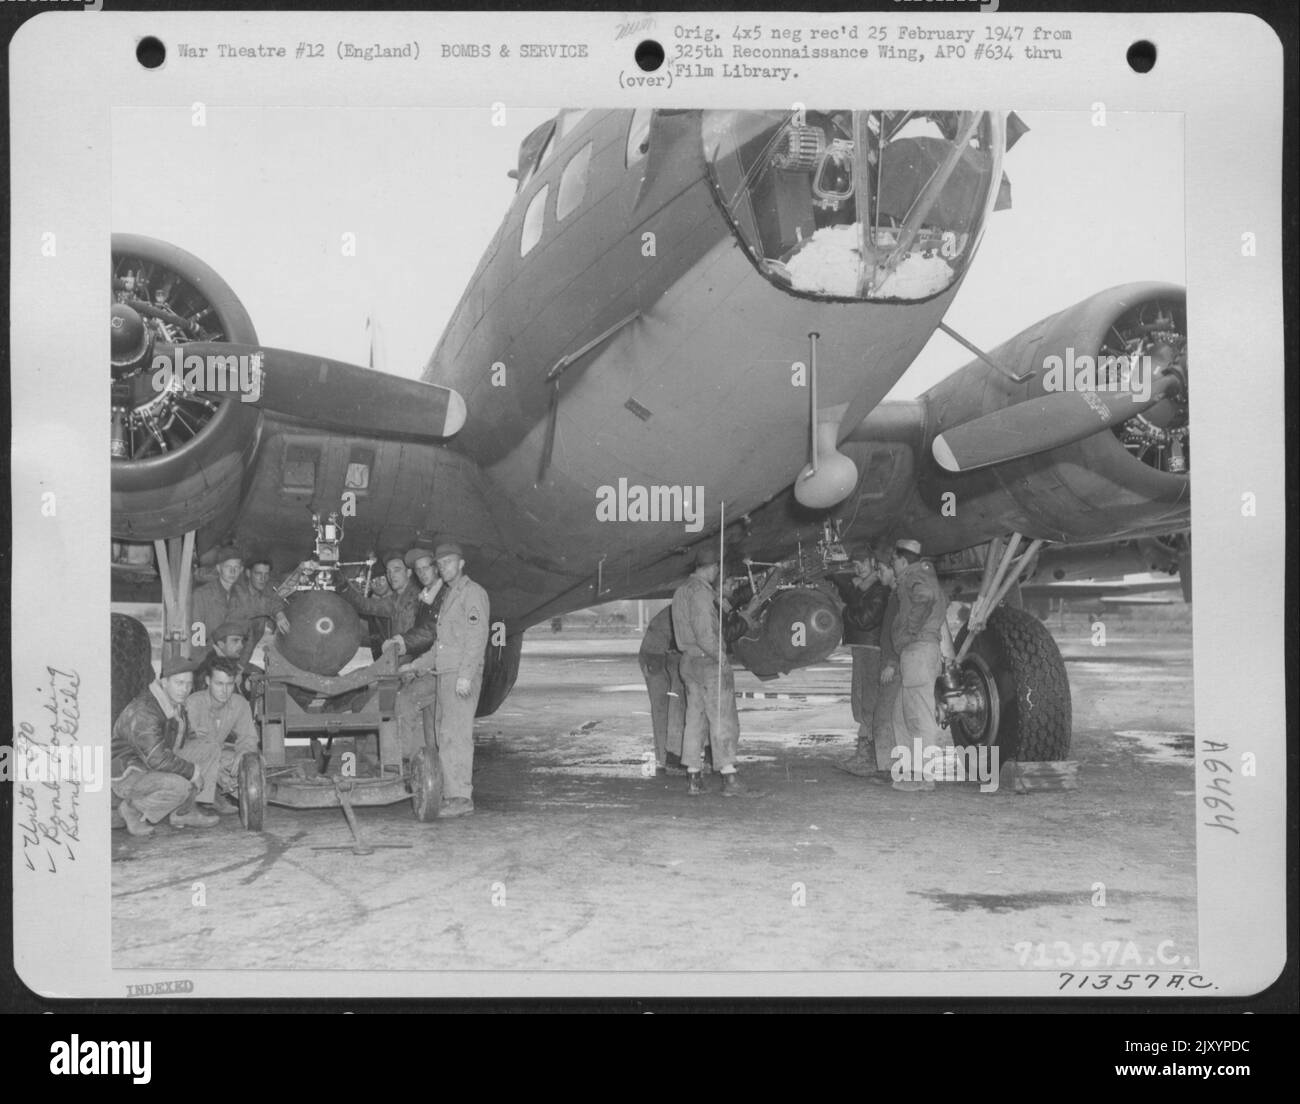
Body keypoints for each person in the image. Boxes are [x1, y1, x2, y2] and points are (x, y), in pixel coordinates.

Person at [389, 542, 490, 817]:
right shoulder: (448, 597)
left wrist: (466, 676)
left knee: (456, 736)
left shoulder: (472, 594)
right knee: (443, 735)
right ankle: (448, 792)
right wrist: (414, 666)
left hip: (459, 677)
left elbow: (477, 637)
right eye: (441, 563)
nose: (444, 568)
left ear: (461, 564)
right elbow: (440, 647)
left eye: (449, 563)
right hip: (444, 674)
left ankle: (460, 798)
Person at [110, 654, 221, 836]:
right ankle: (132, 809)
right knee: (180, 786)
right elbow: (157, 758)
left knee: (209, 749)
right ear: (164, 682)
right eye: (179, 683)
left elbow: (179, 738)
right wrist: (193, 771)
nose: (184, 689)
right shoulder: (145, 710)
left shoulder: (174, 702)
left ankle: (184, 812)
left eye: (188, 684)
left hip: (152, 761)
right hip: (130, 772)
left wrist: (196, 739)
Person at [671, 545, 744, 797]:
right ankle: (729, 777)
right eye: (717, 568)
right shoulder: (701, 594)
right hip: (707, 662)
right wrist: (721, 656)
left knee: (695, 719)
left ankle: (693, 776)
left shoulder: (681, 591)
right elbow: (705, 634)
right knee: (722, 717)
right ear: (712, 568)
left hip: (688, 661)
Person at [885, 538, 951, 792]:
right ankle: (910, 772)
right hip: (917, 653)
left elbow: (925, 598)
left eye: (893, 561)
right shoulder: (922, 574)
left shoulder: (914, 576)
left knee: (919, 716)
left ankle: (924, 777)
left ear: (902, 560)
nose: (893, 565)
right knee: (901, 715)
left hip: (918, 651)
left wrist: (910, 631)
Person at [831, 550, 893, 777]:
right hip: (864, 649)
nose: (857, 569)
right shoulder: (869, 589)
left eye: (862, 564)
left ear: (874, 563)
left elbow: (866, 619)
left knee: (867, 699)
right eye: (855, 565)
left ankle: (869, 757)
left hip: (871, 651)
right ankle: (866, 754)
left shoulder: (879, 590)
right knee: (861, 698)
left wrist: (843, 610)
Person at [184, 657, 259, 815]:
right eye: (219, 684)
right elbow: (186, 749)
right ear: (208, 681)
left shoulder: (240, 704)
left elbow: (249, 737)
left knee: (253, 761)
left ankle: (216, 795)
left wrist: (243, 752)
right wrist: (217, 773)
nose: (225, 691)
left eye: (229, 684)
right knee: (207, 749)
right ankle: (199, 802)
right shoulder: (192, 704)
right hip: (191, 759)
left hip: (216, 754)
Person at [340, 549, 421, 659]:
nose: (391, 575)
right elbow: (366, 605)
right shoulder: (395, 600)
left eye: (396, 570)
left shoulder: (418, 597)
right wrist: (343, 586)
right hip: (400, 661)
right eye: (388, 572)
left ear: (409, 572)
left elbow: (420, 638)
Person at [638, 605, 686, 775]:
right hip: (655, 656)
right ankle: (666, 759)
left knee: (669, 708)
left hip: (663, 652)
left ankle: (668, 757)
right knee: (663, 709)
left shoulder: (691, 602)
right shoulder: (693, 604)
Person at [192, 621, 251, 696]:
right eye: (235, 641)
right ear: (221, 644)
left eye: (241, 641)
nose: (241, 646)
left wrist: (246, 685)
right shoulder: (210, 666)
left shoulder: (228, 662)